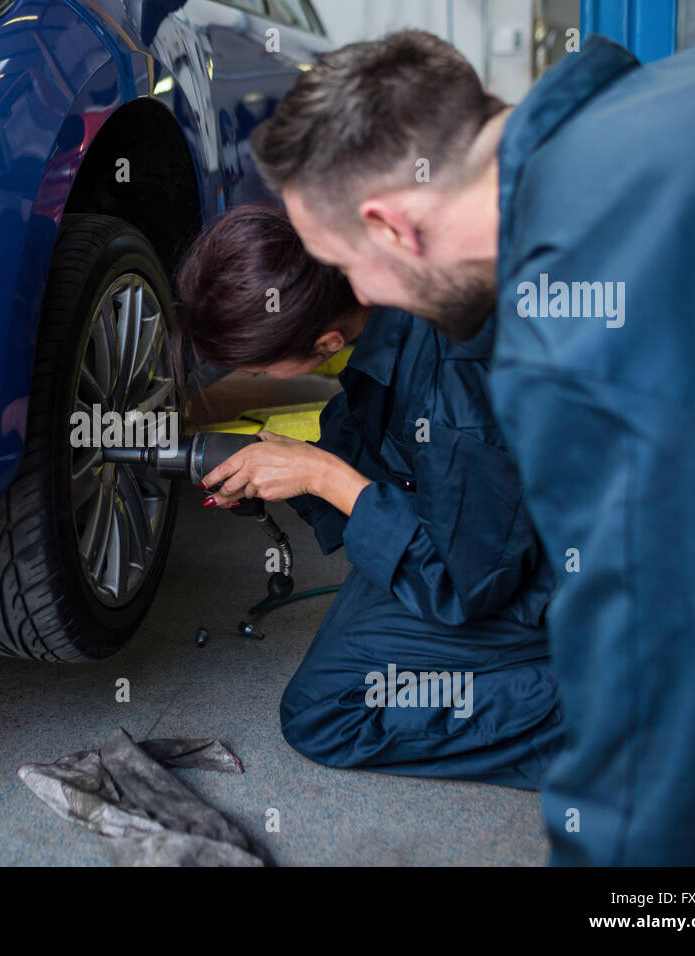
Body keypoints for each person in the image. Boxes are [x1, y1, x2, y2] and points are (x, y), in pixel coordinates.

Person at [241, 28, 695, 865]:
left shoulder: (575, 324)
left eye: (343, 264)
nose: (357, 299)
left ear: (390, 228)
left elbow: (657, 697)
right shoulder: (643, 110)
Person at [178, 203, 562, 790]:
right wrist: (286, 469)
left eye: (258, 373)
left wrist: (322, 476)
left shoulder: (451, 385)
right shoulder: (389, 280)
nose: (253, 381)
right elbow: (388, 447)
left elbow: (465, 585)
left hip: (566, 569)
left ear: (327, 338)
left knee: (327, 712)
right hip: (495, 521)